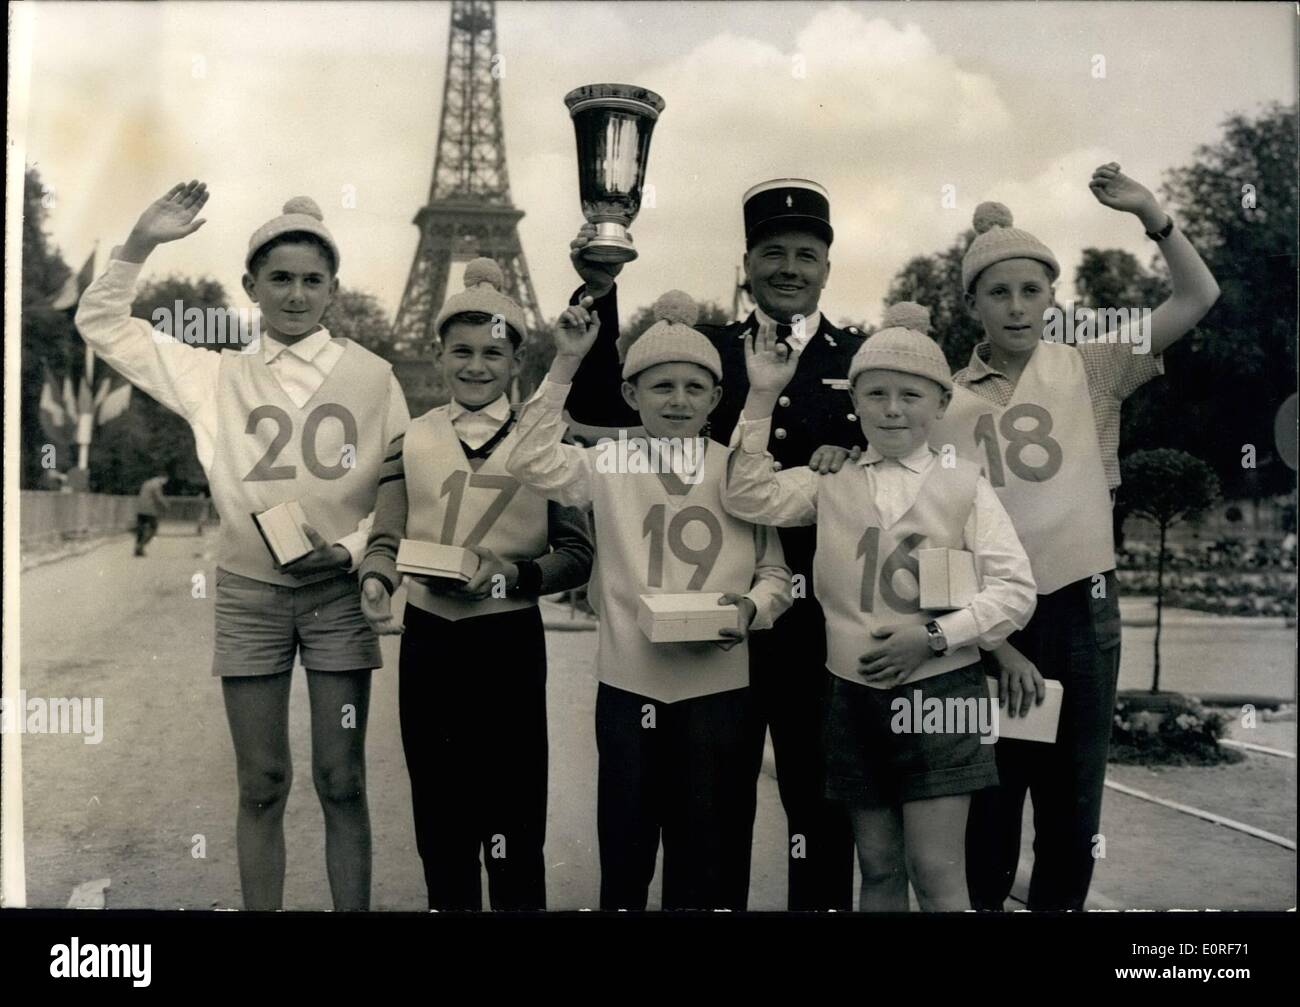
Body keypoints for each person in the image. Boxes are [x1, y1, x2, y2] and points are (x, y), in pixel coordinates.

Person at [75, 181, 410, 910]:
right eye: (280, 279)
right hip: (250, 592)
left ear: (334, 289)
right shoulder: (212, 371)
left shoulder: (376, 376)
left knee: (342, 779)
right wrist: (141, 242)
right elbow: (99, 323)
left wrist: (353, 552)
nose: (296, 295)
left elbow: (397, 487)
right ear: (250, 286)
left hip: (339, 593)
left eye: (312, 280)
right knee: (261, 781)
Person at [562, 179, 865, 910]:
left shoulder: (863, 358)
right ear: (748, 260)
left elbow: (903, 445)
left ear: (827, 265)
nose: (789, 267)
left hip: (817, 618)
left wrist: (853, 455)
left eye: (805, 254)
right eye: (772, 253)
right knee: (714, 817)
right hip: (701, 626)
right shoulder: (706, 351)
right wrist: (600, 290)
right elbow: (603, 401)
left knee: (818, 801)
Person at [930, 163, 1221, 911]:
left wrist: (1153, 216)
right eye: (999, 291)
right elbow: (938, 539)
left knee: (1071, 818)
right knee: (988, 814)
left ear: (1054, 296)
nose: (1018, 306)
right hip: (994, 626)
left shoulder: (1092, 365)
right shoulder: (946, 402)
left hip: (1083, 614)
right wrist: (994, 640)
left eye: (1033, 289)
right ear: (972, 304)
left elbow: (1199, 297)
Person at [723, 302, 1036, 910]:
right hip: (852, 695)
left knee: (937, 870)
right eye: (877, 394)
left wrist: (935, 638)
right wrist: (762, 397)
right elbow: (747, 494)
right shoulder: (828, 479)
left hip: (942, 696)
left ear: (940, 405)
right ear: (856, 402)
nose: (893, 409)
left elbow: (1014, 590)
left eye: (911, 396)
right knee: (879, 866)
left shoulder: (963, 483)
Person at [506, 290, 792, 910]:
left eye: (695, 387)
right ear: (632, 395)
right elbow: (528, 459)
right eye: (661, 386)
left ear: (717, 399)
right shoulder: (608, 463)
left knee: (706, 857)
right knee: (628, 852)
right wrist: (564, 365)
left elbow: (775, 574)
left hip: (718, 690)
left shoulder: (738, 470)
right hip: (631, 686)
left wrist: (751, 609)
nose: (679, 401)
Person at [358, 259, 593, 911]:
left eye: (493, 352)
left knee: (515, 822)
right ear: (438, 355)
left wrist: (514, 575)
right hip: (431, 642)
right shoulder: (410, 439)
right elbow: (386, 535)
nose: (476, 365)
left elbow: (577, 554)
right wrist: (377, 582)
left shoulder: (547, 440)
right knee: (441, 822)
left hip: (509, 639)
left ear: (518, 362)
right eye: (461, 351)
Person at [134, 472, 169, 555]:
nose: (165, 483)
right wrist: (166, 505)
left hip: (140, 509)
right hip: (150, 510)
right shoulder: (156, 485)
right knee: (153, 529)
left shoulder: (146, 483)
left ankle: (138, 549)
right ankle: (140, 546)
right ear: (163, 478)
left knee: (141, 529)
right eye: (165, 481)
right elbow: (158, 497)